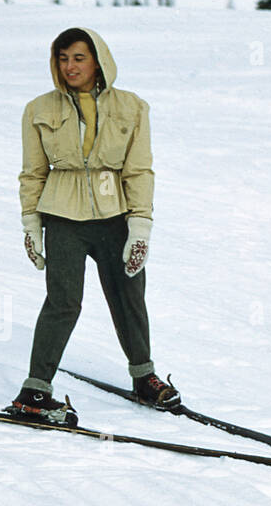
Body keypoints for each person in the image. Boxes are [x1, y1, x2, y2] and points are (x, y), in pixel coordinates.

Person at [11, 27, 180, 426]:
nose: (70, 66)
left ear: (98, 60)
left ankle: (144, 377)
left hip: (114, 218)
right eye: (63, 58)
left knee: (128, 296)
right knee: (63, 301)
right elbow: (32, 173)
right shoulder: (38, 109)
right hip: (63, 218)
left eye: (79, 58)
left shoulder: (133, 107)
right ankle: (35, 389)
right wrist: (31, 224)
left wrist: (140, 227)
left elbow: (139, 170)